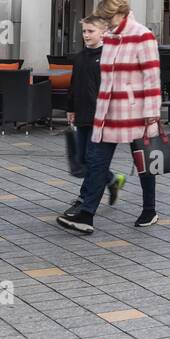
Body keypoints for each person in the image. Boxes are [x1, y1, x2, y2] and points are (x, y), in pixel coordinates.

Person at [58, 0, 160, 234]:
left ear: (121, 13)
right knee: (96, 161)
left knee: (143, 161)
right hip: (108, 112)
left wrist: (152, 114)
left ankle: (149, 209)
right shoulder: (111, 37)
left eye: (108, 17)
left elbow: (152, 77)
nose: (106, 23)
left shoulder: (142, 35)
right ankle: (86, 215)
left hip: (135, 111)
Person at [63, 15, 125, 216]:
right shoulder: (80, 57)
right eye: (84, 31)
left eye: (91, 31)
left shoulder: (108, 56)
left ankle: (83, 199)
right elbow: (74, 85)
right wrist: (70, 108)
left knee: (92, 158)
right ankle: (111, 180)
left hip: (101, 117)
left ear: (103, 33)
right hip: (82, 114)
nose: (86, 35)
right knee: (82, 158)